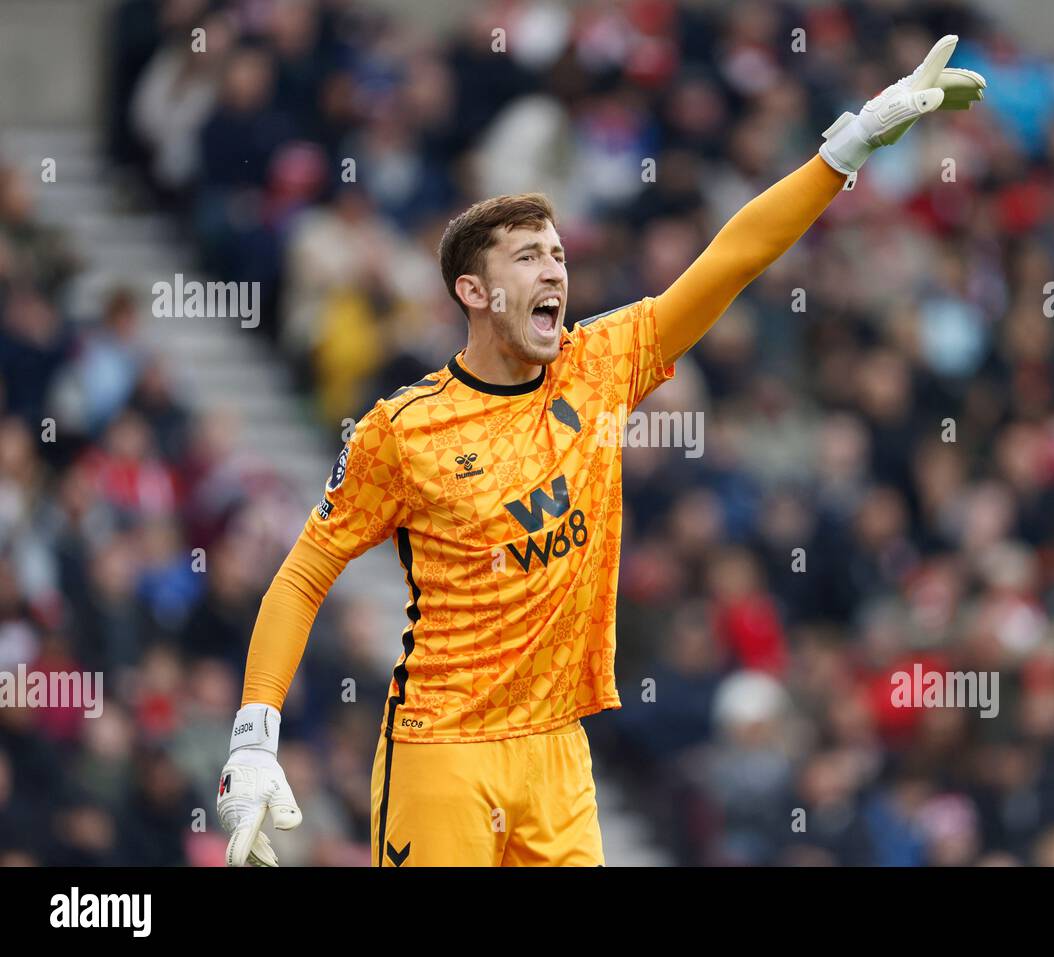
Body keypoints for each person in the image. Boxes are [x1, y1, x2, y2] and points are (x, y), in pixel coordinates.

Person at [215, 36, 986, 867]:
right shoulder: (402, 429)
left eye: (557, 253)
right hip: (444, 748)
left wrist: (852, 142)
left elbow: (731, 260)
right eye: (527, 257)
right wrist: (255, 736)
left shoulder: (597, 365)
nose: (554, 270)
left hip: (560, 752)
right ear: (474, 292)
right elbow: (303, 572)